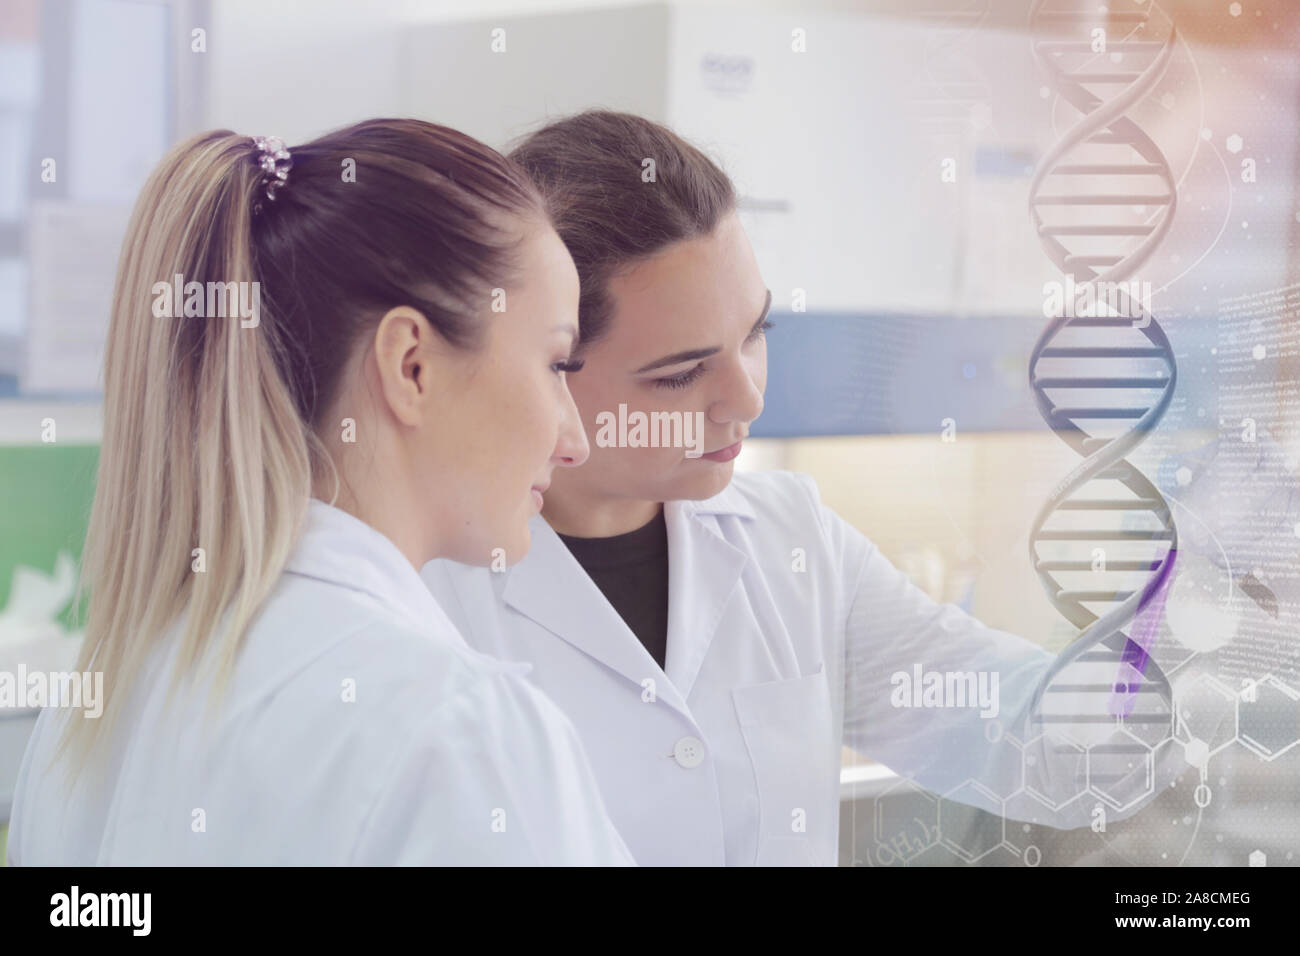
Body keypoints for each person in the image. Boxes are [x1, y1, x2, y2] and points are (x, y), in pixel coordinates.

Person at [421, 110, 1187, 866]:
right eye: (682, 372)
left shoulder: (790, 538)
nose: (747, 398)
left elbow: (1002, 723)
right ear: (545, 363)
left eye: (756, 334)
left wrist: (1160, 678)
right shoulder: (427, 592)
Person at [7, 119, 633, 865]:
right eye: (557, 365)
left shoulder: (98, 703)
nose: (574, 438)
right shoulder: (458, 730)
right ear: (411, 367)